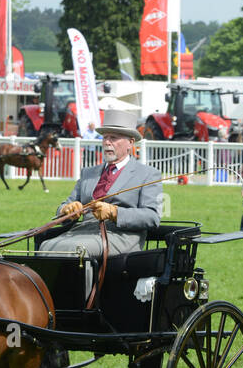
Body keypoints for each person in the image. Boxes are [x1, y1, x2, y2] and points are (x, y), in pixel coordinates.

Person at [44, 108, 161, 296]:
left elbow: (152, 217)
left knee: (74, 250)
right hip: (83, 231)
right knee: (45, 247)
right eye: (105, 137)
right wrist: (67, 209)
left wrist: (114, 212)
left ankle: (83, 309)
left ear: (130, 143)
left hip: (120, 236)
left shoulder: (147, 175)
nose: (107, 142)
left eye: (113, 138)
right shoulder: (88, 173)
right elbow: (66, 203)